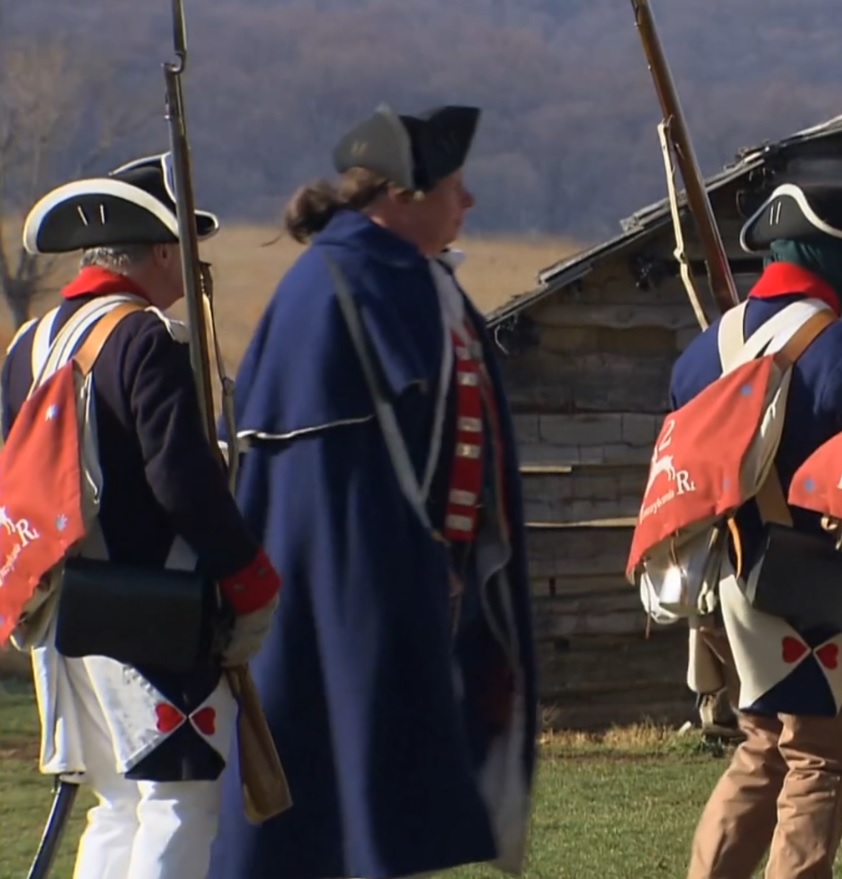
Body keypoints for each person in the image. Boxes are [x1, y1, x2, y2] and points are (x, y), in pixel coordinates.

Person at [206, 104, 539, 879]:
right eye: (453, 186)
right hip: (358, 578)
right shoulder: (359, 282)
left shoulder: (385, 276)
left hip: (393, 572)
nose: (468, 201)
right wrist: (421, 558)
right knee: (338, 777)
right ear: (401, 194)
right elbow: (359, 470)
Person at [2, 154, 280, 878]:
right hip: (148, 611)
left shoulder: (30, 342)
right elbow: (181, 481)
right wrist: (249, 578)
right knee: (178, 801)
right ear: (160, 250)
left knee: (119, 803)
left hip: (61, 611)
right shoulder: (146, 338)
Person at [674, 181, 842, 879]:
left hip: (726, 576)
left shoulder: (704, 348)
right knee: (821, 758)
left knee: (765, 747)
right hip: (810, 583)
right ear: (837, 253)